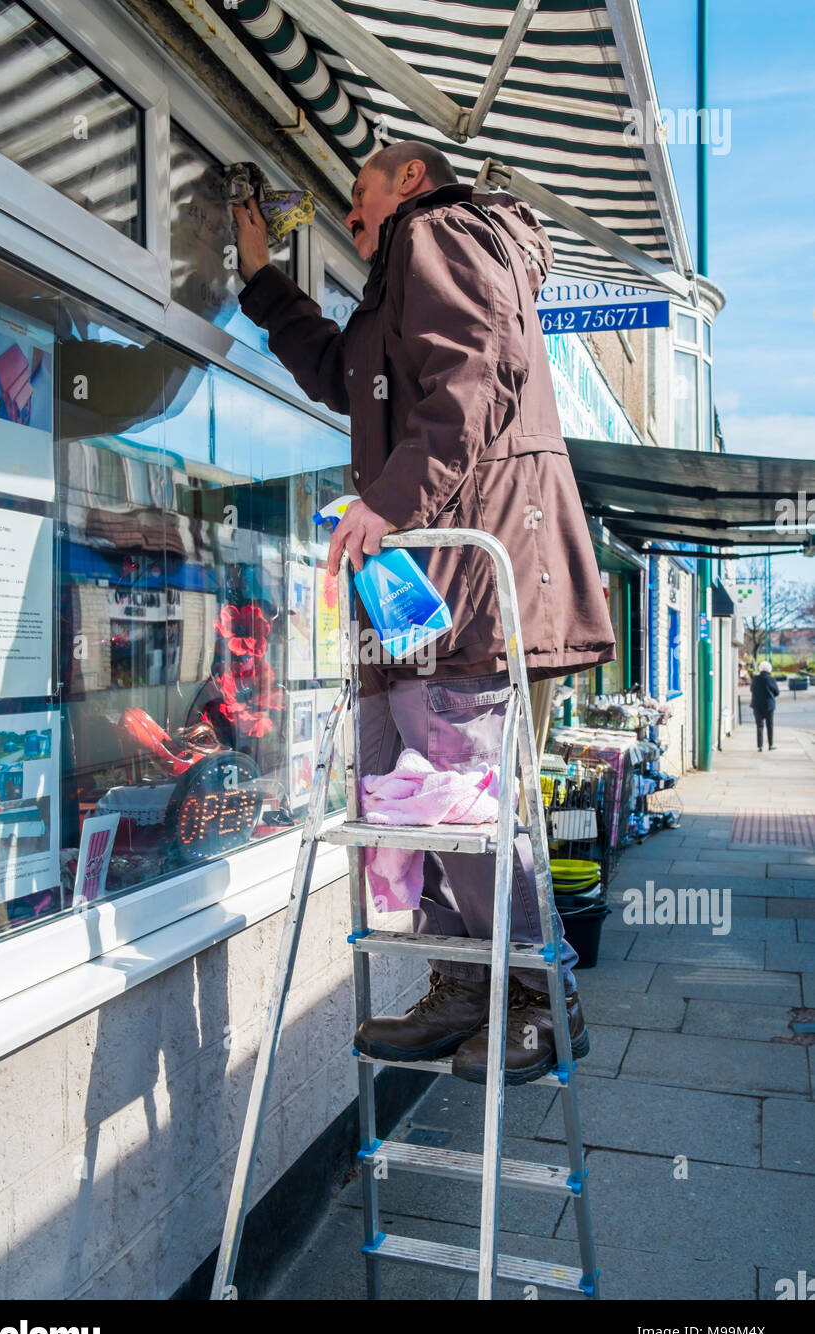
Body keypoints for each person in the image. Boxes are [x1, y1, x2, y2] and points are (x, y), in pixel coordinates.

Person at [232, 140, 615, 1084]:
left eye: (356, 190)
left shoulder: (440, 231)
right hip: (424, 590)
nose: (348, 213)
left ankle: (540, 991)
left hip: (466, 580)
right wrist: (260, 279)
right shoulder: (397, 280)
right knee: (423, 793)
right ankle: (466, 983)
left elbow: (471, 378)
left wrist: (389, 502)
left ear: (408, 178)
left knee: (461, 790)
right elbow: (338, 371)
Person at [750, 660, 780, 751]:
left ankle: (760, 746)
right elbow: (777, 692)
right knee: (769, 725)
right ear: (769, 669)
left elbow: (752, 689)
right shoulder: (771, 679)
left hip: (757, 706)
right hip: (769, 706)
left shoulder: (755, 679)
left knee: (759, 726)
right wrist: (770, 695)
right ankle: (770, 745)